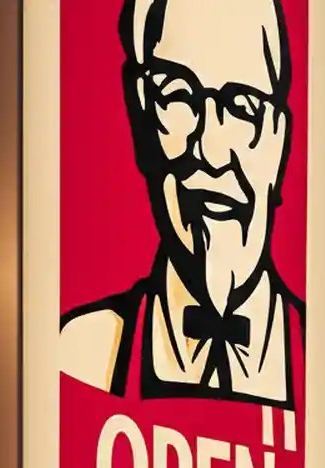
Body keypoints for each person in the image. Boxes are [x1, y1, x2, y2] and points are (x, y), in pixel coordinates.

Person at [60, 0, 303, 408]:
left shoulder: (322, 372)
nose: (211, 149)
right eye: (180, 96)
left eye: (242, 107)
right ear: (141, 118)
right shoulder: (86, 353)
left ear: (278, 142)